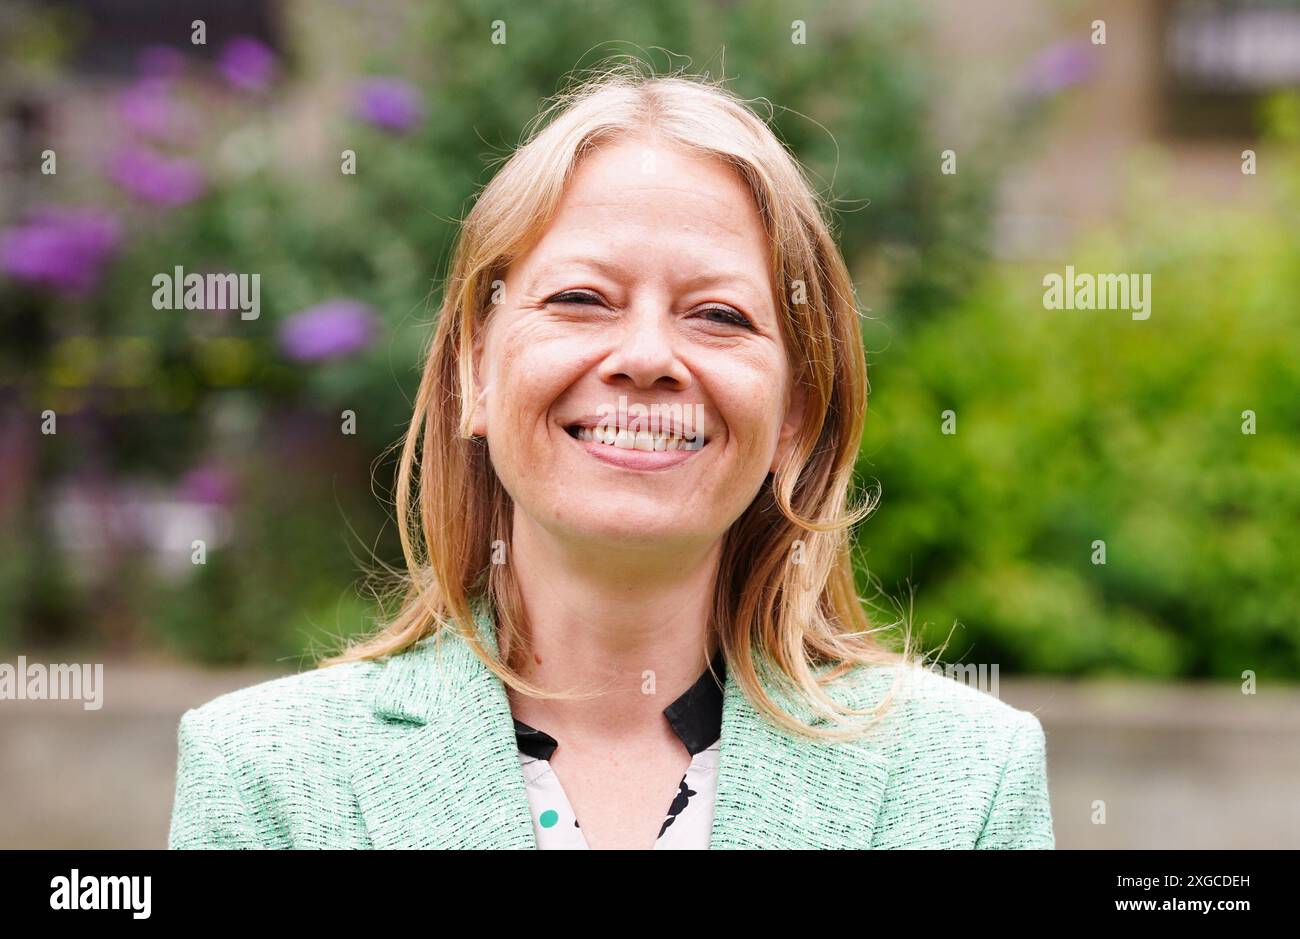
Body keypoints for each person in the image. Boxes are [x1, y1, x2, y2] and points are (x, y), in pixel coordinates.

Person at [168, 66, 1054, 850]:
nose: (645, 355)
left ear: (796, 414)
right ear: (476, 371)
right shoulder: (266, 778)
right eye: (583, 297)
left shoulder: (967, 782)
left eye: (718, 315)